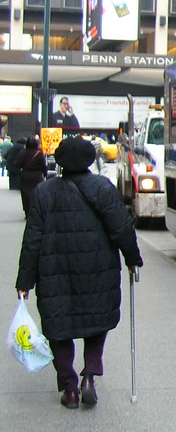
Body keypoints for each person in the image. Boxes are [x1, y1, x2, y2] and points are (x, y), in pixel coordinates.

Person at [16, 136, 143, 409]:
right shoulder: (102, 188)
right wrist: (132, 259)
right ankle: (89, 374)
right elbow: (121, 228)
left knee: (59, 328)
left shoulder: (43, 192)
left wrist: (24, 281)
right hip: (97, 271)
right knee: (96, 322)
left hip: (54, 273)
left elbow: (33, 238)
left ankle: (70, 389)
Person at [16, 137, 47, 217]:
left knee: (25, 193)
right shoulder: (39, 154)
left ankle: (27, 210)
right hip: (37, 176)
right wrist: (45, 174)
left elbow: (17, 164)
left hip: (25, 175)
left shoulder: (22, 153)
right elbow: (43, 166)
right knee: (36, 193)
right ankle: (35, 210)